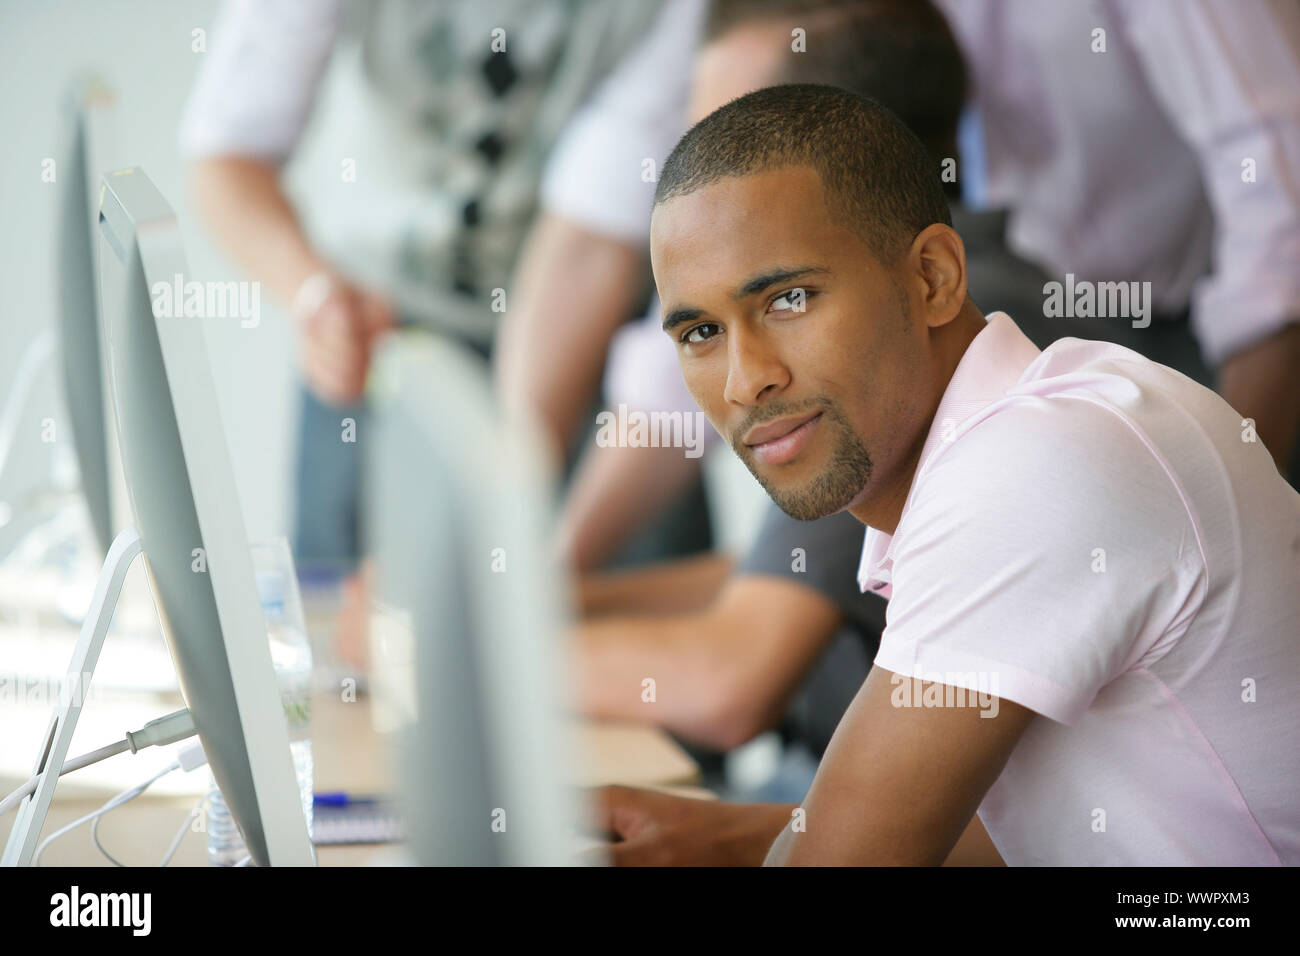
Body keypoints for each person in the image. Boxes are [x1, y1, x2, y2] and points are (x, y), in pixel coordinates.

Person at [591, 84, 1300, 866]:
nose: (742, 380)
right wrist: (734, 837)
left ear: (933, 277)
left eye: (789, 298)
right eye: (700, 332)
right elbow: (1042, 833)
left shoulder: (1033, 467)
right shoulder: (1009, 440)